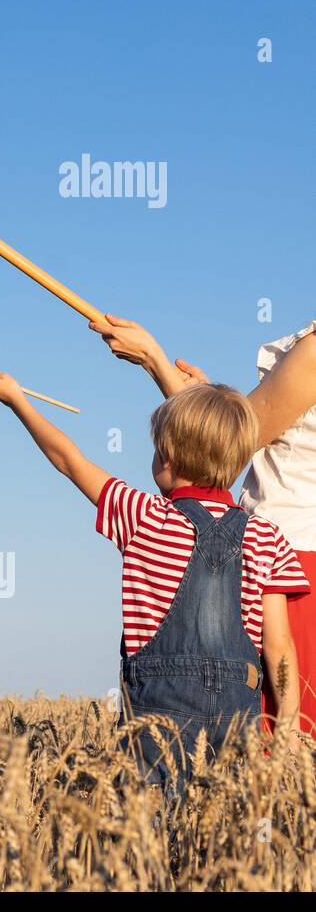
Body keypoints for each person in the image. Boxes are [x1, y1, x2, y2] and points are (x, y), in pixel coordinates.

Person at [0, 370, 307, 789]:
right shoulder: (267, 536)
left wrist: (17, 401)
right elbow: (279, 647)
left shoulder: (143, 516)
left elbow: (69, 461)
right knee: (224, 831)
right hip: (238, 714)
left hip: (158, 713)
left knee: (149, 828)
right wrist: (289, 730)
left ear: (168, 457)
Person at [92, 314, 316, 735]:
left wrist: (154, 360)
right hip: (284, 556)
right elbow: (226, 438)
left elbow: (227, 446)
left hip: (295, 553)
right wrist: (207, 397)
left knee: (266, 747)